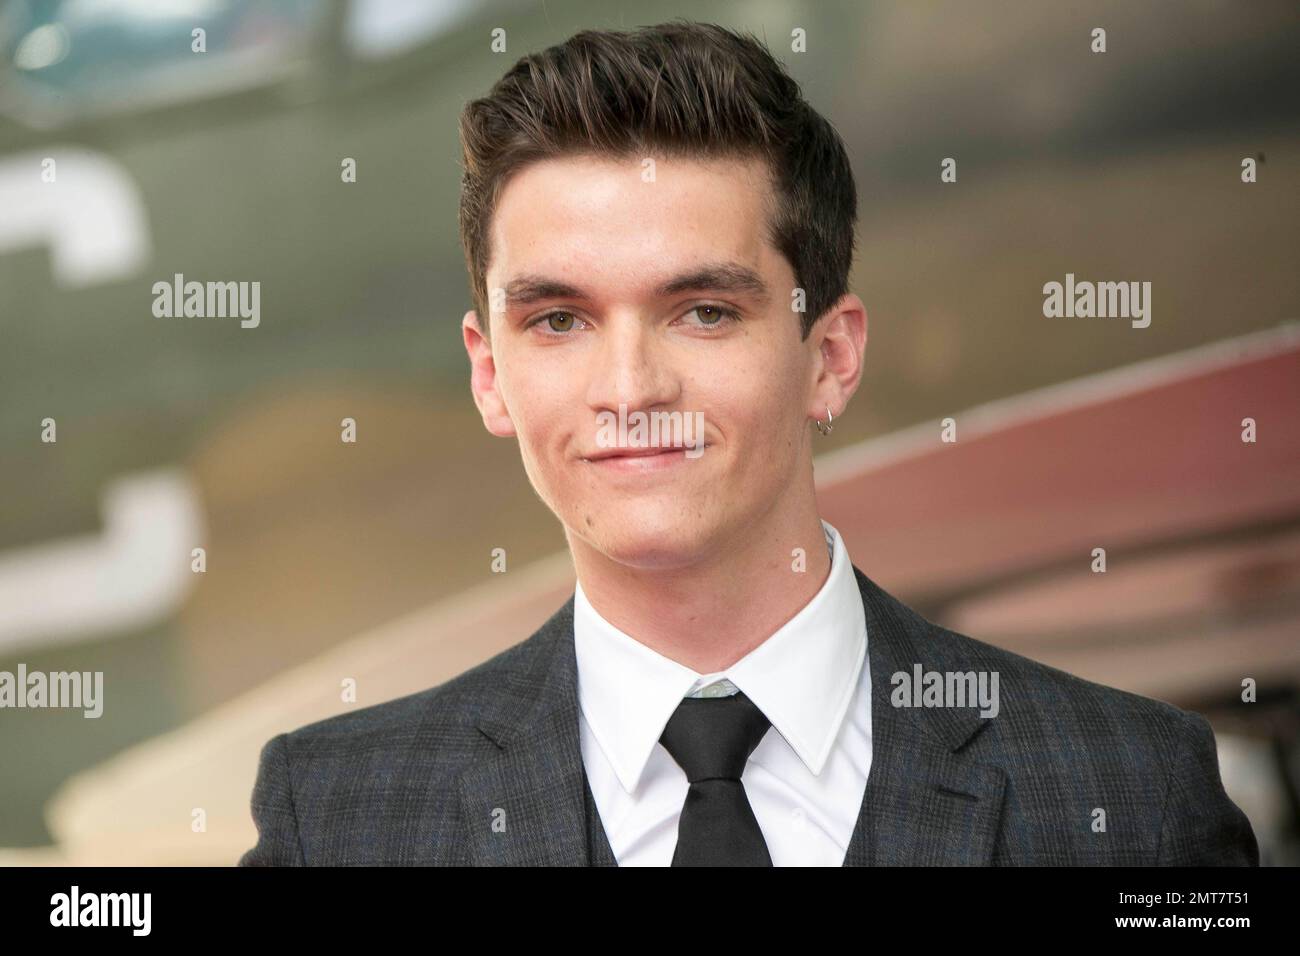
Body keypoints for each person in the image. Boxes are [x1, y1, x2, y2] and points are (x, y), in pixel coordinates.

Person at [239, 20, 1257, 866]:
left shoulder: (1131, 799)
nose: (630, 389)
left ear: (831, 355)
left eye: (703, 311)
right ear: (488, 370)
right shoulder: (334, 819)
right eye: (558, 320)